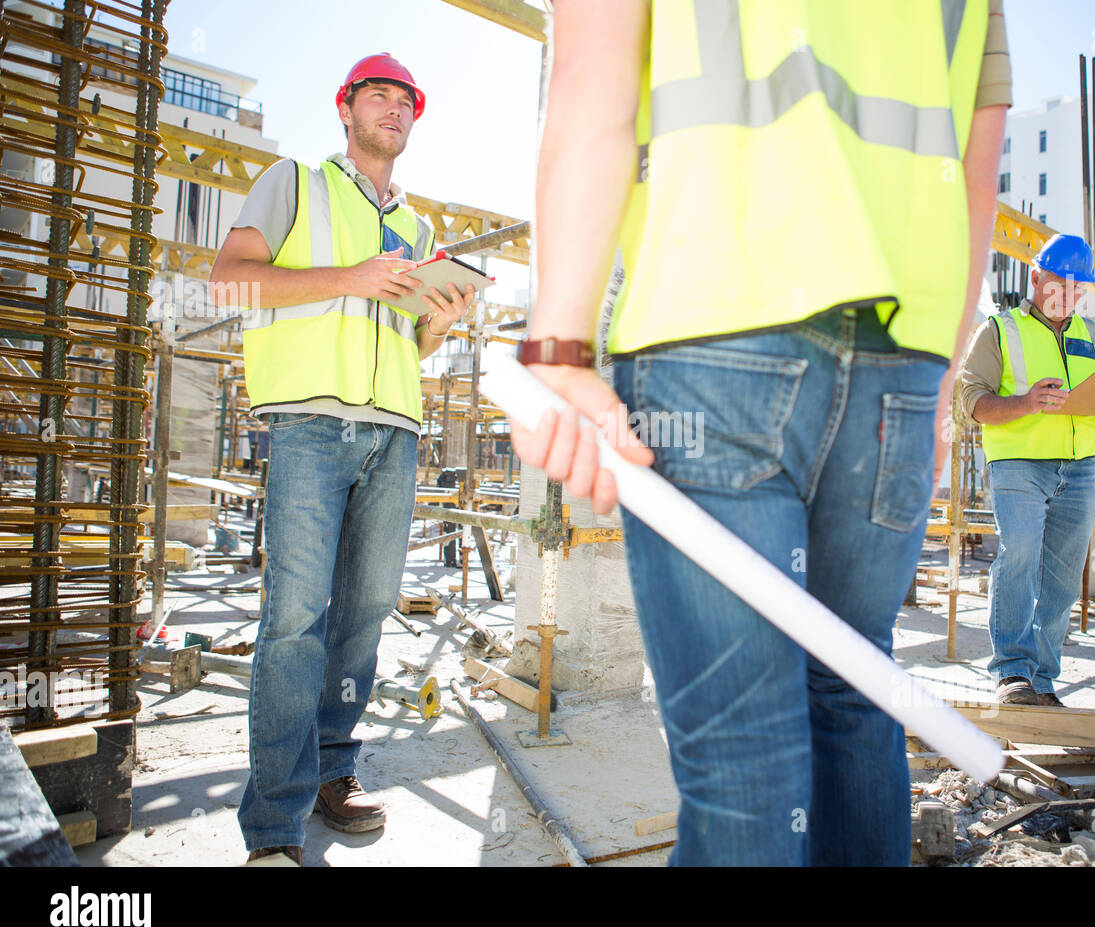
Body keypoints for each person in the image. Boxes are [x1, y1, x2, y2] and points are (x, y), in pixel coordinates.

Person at [509, 0, 1010, 865]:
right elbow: (978, 155)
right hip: (897, 364)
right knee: (855, 698)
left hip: (715, 323)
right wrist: (935, 381)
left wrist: (558, 344)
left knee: (746, 759)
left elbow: (596, 80)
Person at [209, 53, 476, 866]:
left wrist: (442, 322)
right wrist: (351, 276)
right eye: (381, 96)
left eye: (407, 101)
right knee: (294, 622)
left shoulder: (423, 227)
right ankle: (274, 827)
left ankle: (334, 771)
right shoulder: (296, 183)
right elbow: (228, 285)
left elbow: (413, 340)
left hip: (394, 433)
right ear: (347, 108)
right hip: (310, 428)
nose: (395, 109)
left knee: (362, 618)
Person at [956, 233, 1095, 708]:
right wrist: (1024, 402)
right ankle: (1012, 672)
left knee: (1062, 573)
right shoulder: (999, 330)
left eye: (1079, 289)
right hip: (1019, 463)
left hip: (1078, 468)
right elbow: (971, 401)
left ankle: (1042, 678)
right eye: (1061, 285)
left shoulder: (1094, 336)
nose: (1069, 297)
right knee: (1019, 554)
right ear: (1036, 279)